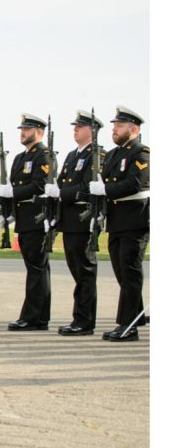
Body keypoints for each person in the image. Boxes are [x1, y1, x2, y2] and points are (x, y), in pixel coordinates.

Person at [91, 106, 149, 342]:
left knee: (130, 271)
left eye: (120, 125)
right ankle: (136, 316)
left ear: (133, 128)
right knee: (122, 272)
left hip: (135, 219)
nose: (114, 129)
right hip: (116, 220)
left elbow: (134, 184)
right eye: (114, 125)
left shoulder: (141, 152)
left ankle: (128, 326)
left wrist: (105, 189)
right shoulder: (114, 154)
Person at [49, 110, 103, 335]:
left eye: (80, 126)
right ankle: (79, 318)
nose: (75, 129)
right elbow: (63, 182)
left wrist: (61, 193)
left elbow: (87, 189)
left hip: (84, 220)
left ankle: (84, 321)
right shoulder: (72, 155)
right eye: (75, 126)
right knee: (77, 271)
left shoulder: (98, 154)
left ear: (92, 131)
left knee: (85, 272)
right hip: (70, 221)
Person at [0, 114, 51, 331]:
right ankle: (37, 317)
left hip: (37, 217)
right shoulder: (20, 158)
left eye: (27, 129)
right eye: (22, 129)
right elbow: (13, 187)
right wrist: (9, 212)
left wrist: (15, 192)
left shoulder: (44, 155)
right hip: (24, 218)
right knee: (34, 268)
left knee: (37, 269)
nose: (23, 132)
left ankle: (34, 317)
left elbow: (41, 185)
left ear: (39, 132)